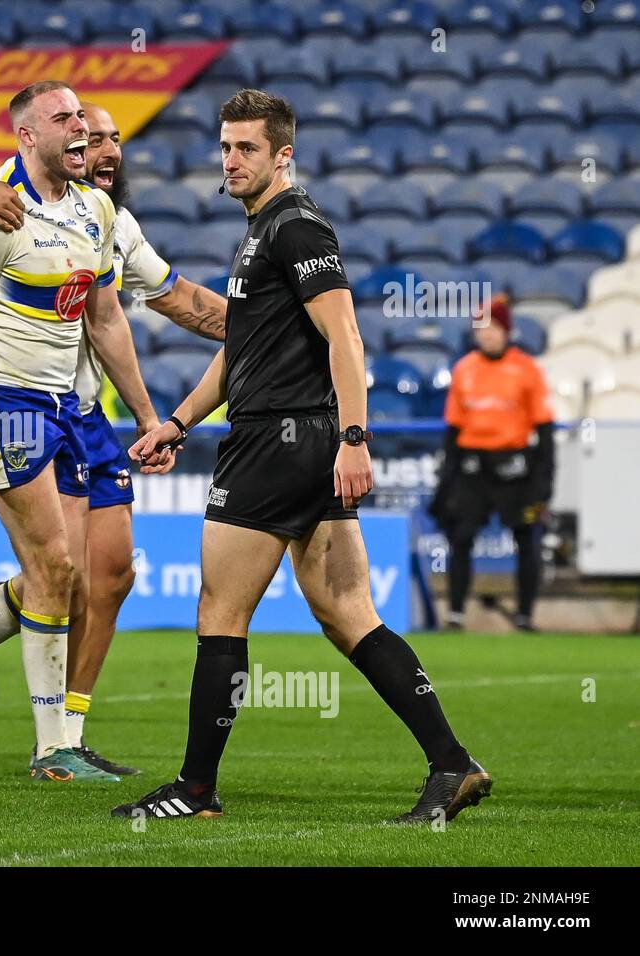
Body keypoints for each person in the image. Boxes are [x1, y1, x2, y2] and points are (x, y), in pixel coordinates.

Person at [115, 89, 491, 824]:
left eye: (247, 148)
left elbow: (346, 337)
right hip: (296, 439)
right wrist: (180, 422)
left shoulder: (293, 226)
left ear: (282, 154)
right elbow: (240, 352)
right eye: (225, 146)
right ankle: (453, 764)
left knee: (219, 612)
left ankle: (195, 790)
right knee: (348, 612)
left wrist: (356, 439)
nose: (230, 159)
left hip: (277, 443)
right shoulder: (262, 231)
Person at [0, 101, 229, 776]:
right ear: (28, 136)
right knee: (55, 569)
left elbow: (108, 320)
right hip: (2, 402)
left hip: (72, 411)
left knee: (94, 574)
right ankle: (52, 748)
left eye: (97, 127)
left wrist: (149, 415)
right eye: (72, 122)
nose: (90, 137)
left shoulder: (98, 215)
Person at [431, 294, 554, 632]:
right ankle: (455, 615)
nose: (486, 333)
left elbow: (544, 430)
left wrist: (545, 483)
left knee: (526, 538)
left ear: (506, 331)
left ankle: (526, 615)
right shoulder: (465, 369)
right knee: (461, 537)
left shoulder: (527, 370)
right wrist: (446, 481)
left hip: (516, 468)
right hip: (473, 467)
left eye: (493, 326)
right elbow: (452, 431)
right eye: (480, 327)